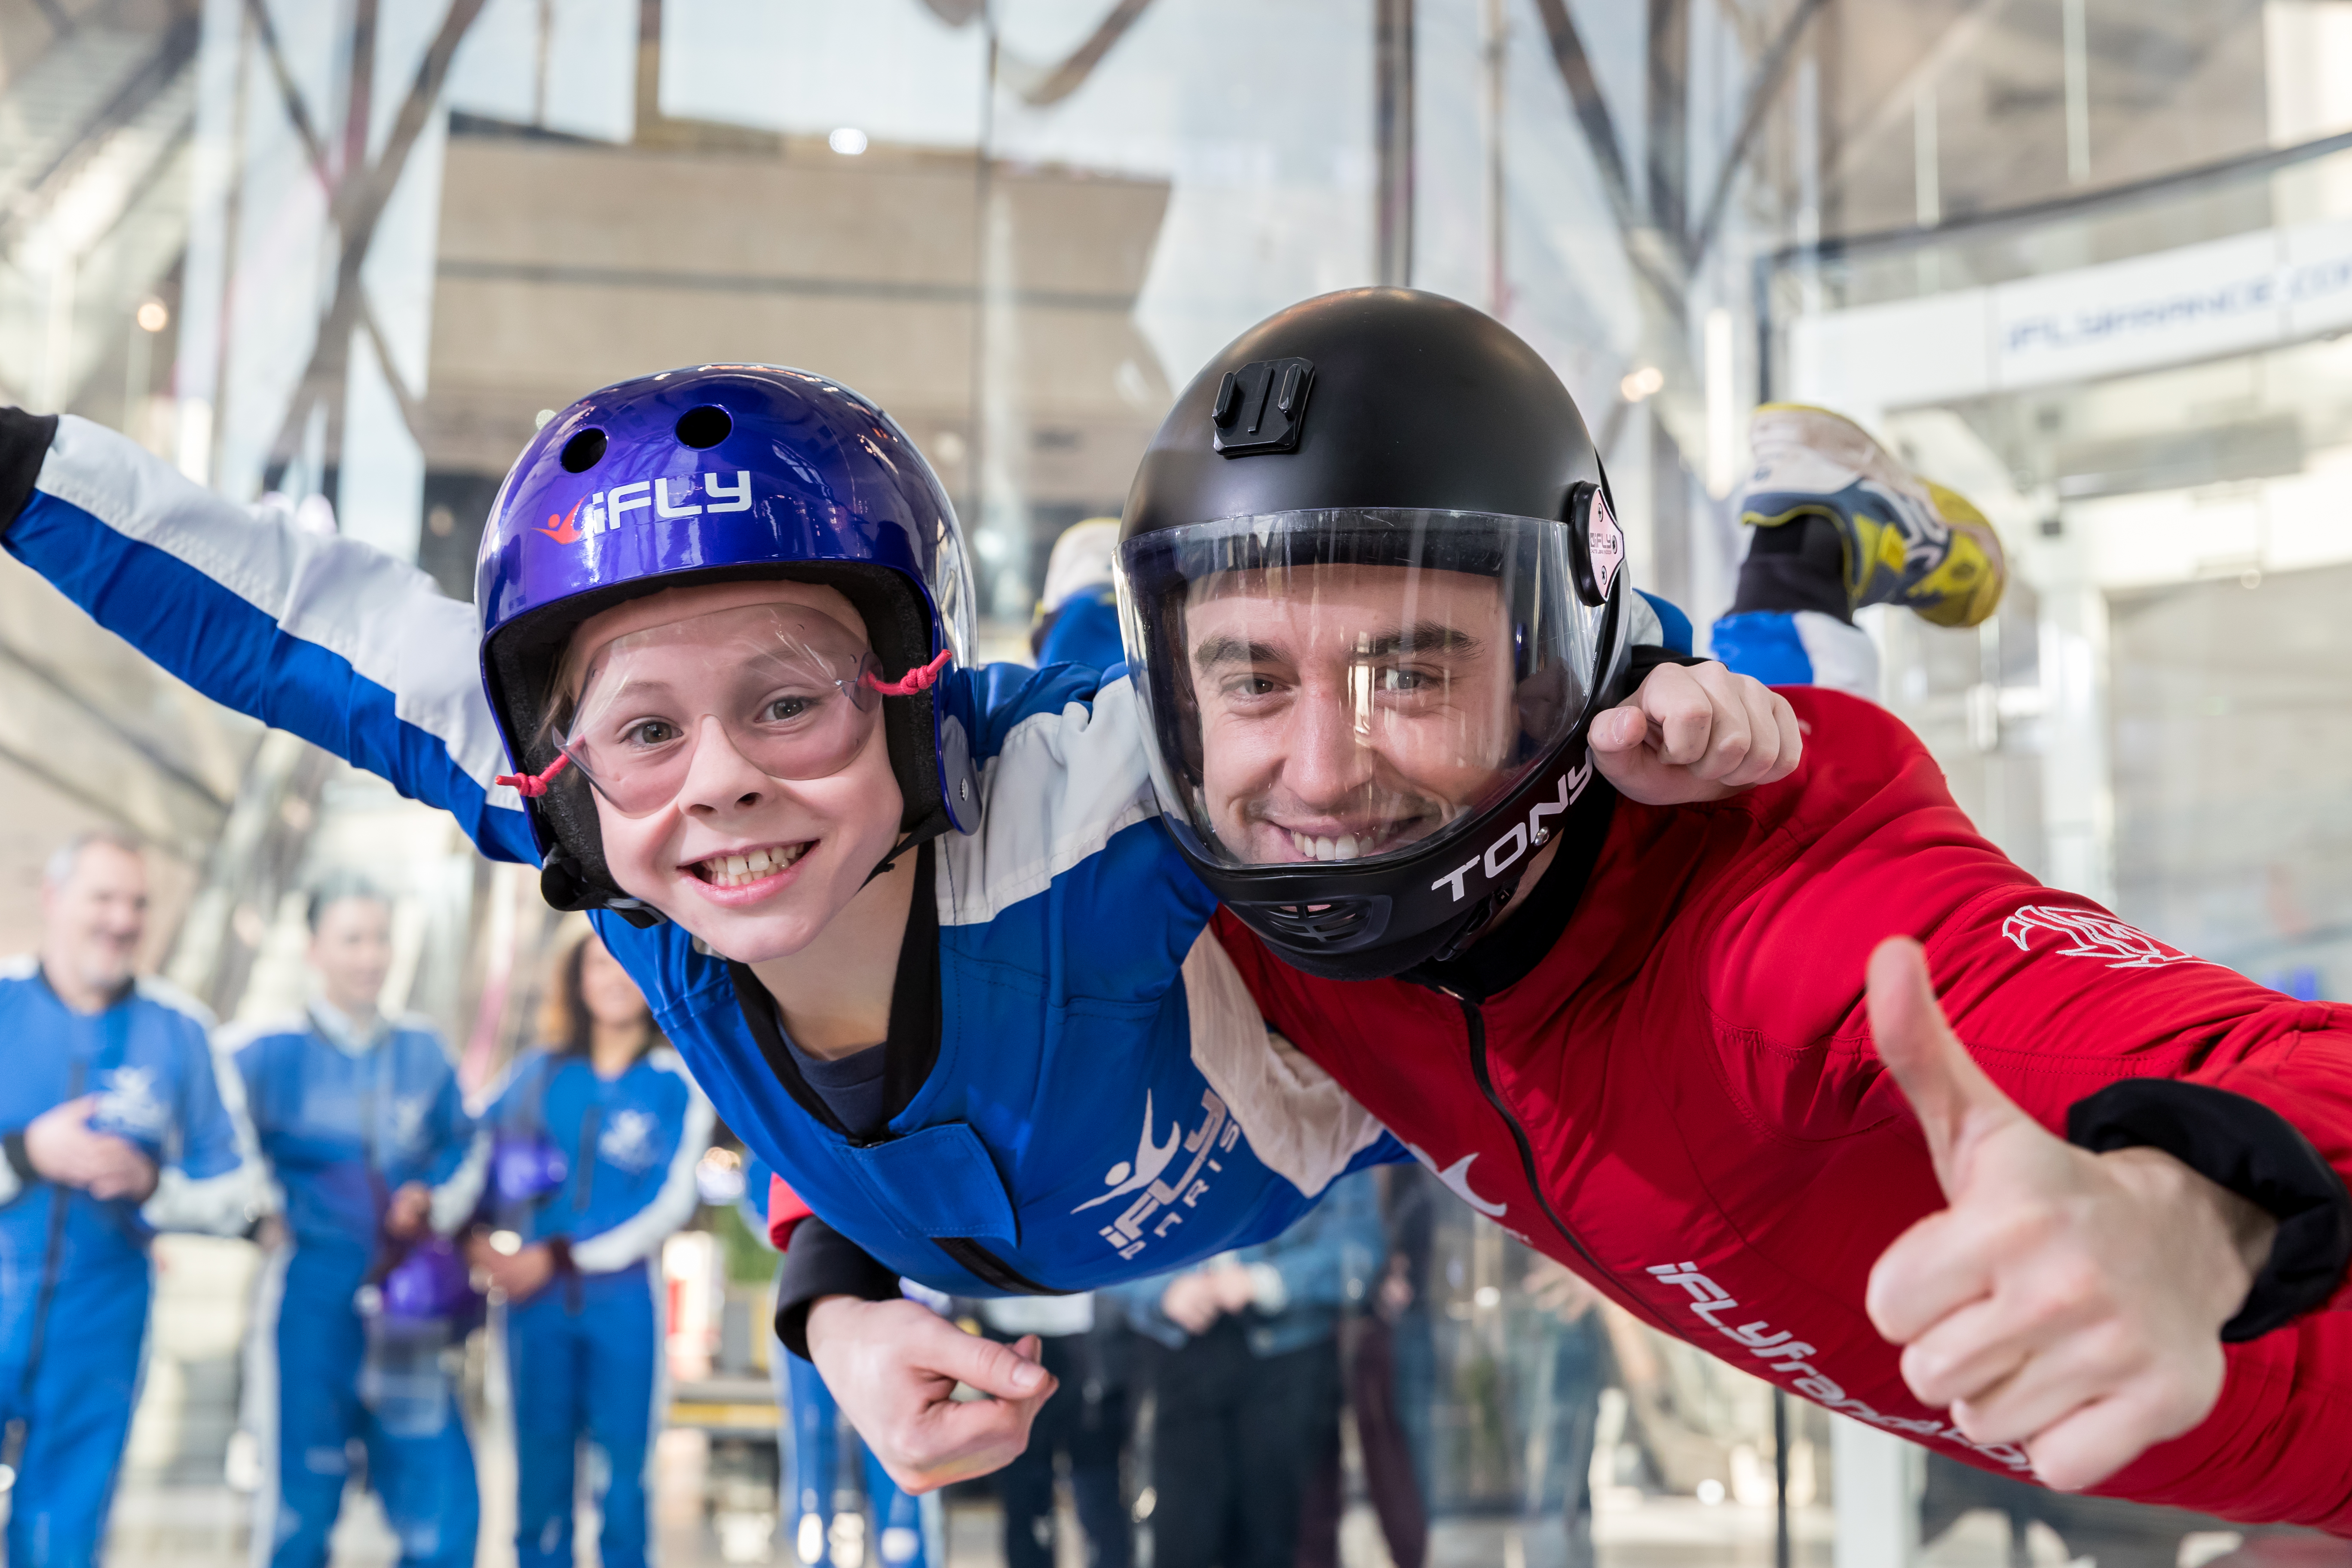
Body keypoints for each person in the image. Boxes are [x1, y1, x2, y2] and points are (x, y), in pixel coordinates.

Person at [0, 374, 1789, 1493]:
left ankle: (1809, 579)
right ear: (568, 780)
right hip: (1050, 1205)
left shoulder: (1089, 794)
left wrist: (1678, 670)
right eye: (644, 732)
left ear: (918, 701)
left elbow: (1426, 627)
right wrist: (836, 1310)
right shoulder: (610, 840)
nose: (715, 789)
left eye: (793, 705)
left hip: (1307, 1073)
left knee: (1684, 781)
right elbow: (282, 608)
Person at [1102, 288, 2352, 1530]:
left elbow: (2299, 1069)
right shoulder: (1237, 899)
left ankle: (1807, 551)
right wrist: (890, 1307)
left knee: (1744, 724)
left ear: (1551, 665)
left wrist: (2196, 1216)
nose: (1319, 775)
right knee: (1738, 705)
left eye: (1414, 670)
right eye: (1251, 676)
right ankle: (1804, 551)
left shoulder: (1799, 940)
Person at [0, 831, 259, 1567]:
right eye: (103, 897)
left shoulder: (180, 1032)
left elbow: (237, 1191)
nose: (122, 919)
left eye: (138, 903)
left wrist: (154, 1186)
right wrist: (25, 1153)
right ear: (53, 900)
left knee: (63, 1539)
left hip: (101, 1327)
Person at [229, 876, 483, 1568]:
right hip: (307, 1302)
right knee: (299, 1506)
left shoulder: (423, 1052)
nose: (370, 957)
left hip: (407, 1310)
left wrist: (433, 1198)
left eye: (380, 939)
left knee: (442, 1506)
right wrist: (255, 1213)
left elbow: (465, 1145)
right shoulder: (264, 1055)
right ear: (314, 950)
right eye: (352, 940)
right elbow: (207, 1140)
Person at [455, 931, 712, 1568]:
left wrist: (563, 1257)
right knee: (538, 1483)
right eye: (598, 962)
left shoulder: (677, 1082)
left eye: (624, 960)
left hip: (623, 1308)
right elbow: (469, 1159)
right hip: (531, 1310)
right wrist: (472, 1242)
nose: (612, 976)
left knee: (624, 1487)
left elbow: (669, 1204)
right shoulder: (536, 1075)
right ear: (576, 977)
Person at [1108, 1169, 1382, 1568]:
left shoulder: (1322, 1123)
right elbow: (1097, 1250)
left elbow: (1361, 1249)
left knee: (1273, 1536)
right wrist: (1162, 1290)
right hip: (1182, 1350)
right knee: (1183, 1536)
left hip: (1287, 1350)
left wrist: (1268, 1281)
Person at [744, 1164, 939, 1568]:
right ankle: (816, 1557)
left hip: (903, 1280)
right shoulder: (786, 1104)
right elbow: (760, 1184)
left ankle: (907, 1556)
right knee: (813, 1437)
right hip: (813, 1284)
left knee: (904, 1435)